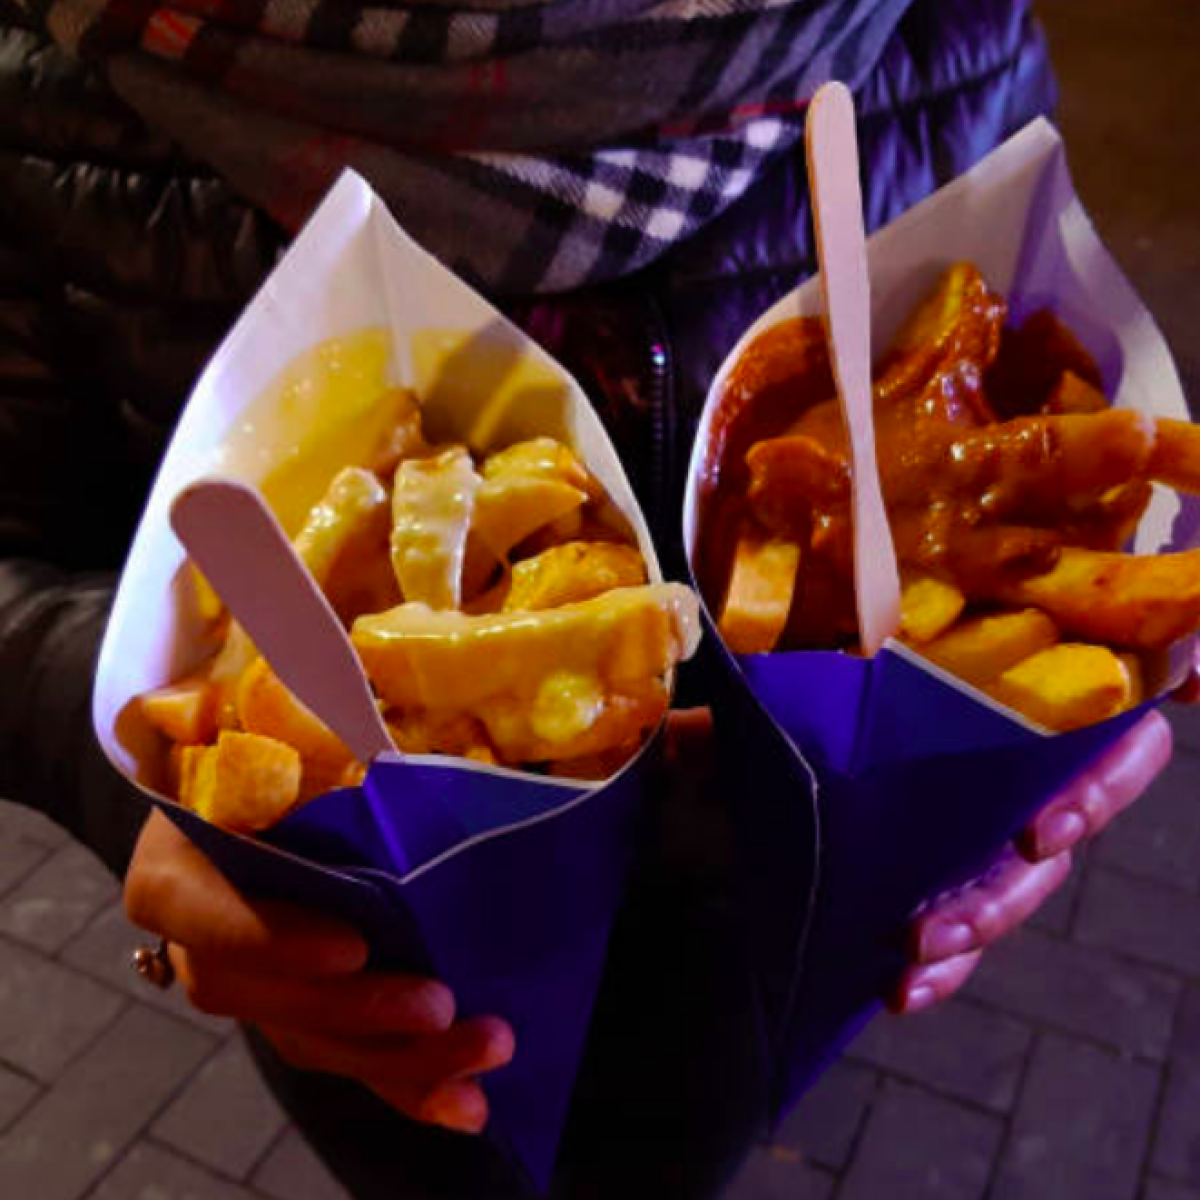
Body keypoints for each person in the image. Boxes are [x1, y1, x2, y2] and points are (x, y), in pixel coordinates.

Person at [0, 0, 1186, 1195]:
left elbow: (1030, 354)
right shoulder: (44, 72)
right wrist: (141, 798)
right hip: (383, 987)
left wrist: (1016, 763)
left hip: (769, 935)